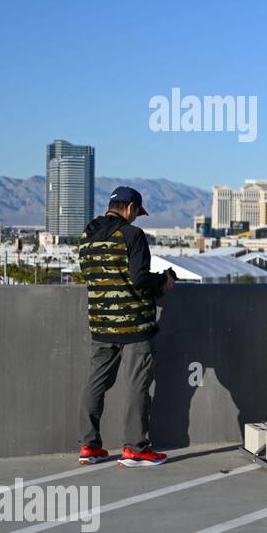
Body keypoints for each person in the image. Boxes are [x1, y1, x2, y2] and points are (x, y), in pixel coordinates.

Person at [77, 186, 175, 467]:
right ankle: (136, 448)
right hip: (134, 327)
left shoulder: (87, 235)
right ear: (130, 207)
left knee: (95, 384)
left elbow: (94, 276)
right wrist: (163, 281)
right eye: (137, 213)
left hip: (100, 324)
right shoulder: (132, 235)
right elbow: (139, 279)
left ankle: (89, 446)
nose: (136, 219)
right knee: (137, 385)